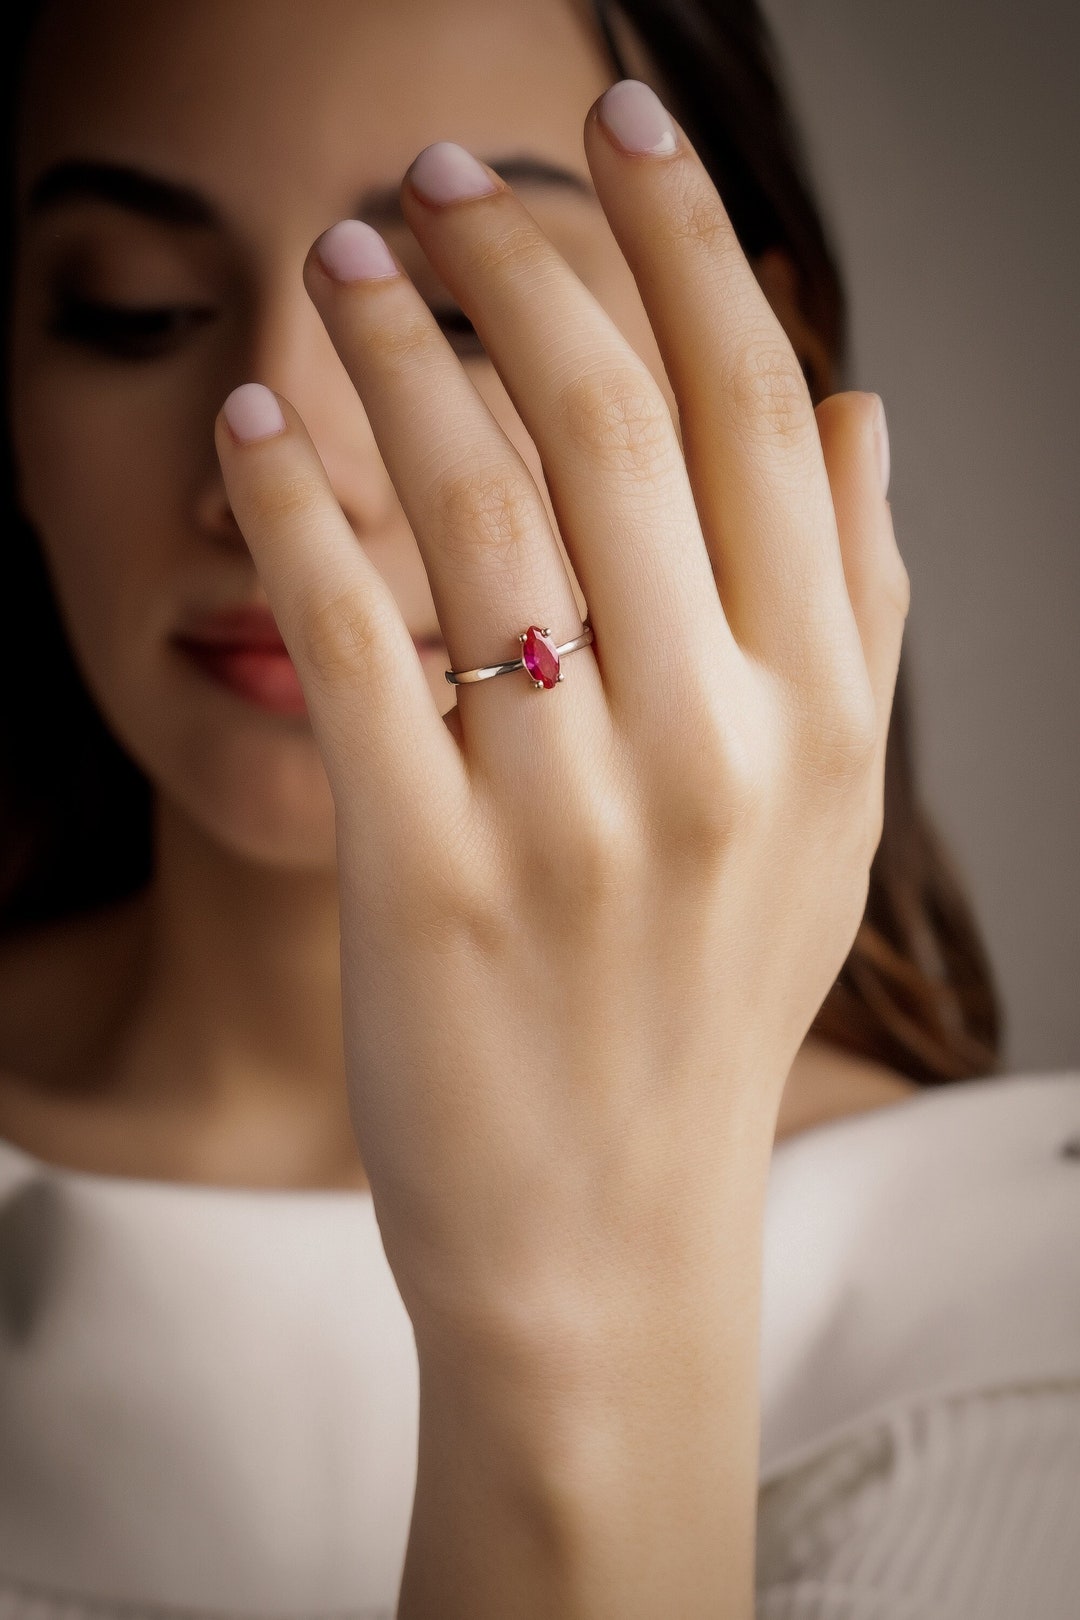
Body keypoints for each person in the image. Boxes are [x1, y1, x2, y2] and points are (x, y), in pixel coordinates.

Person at [0, 0, 1075, 1615]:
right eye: (134, 313)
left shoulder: (1015, 1327)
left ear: (751, 373)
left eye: (454, 308)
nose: (280, 463)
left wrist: (592, 1311)